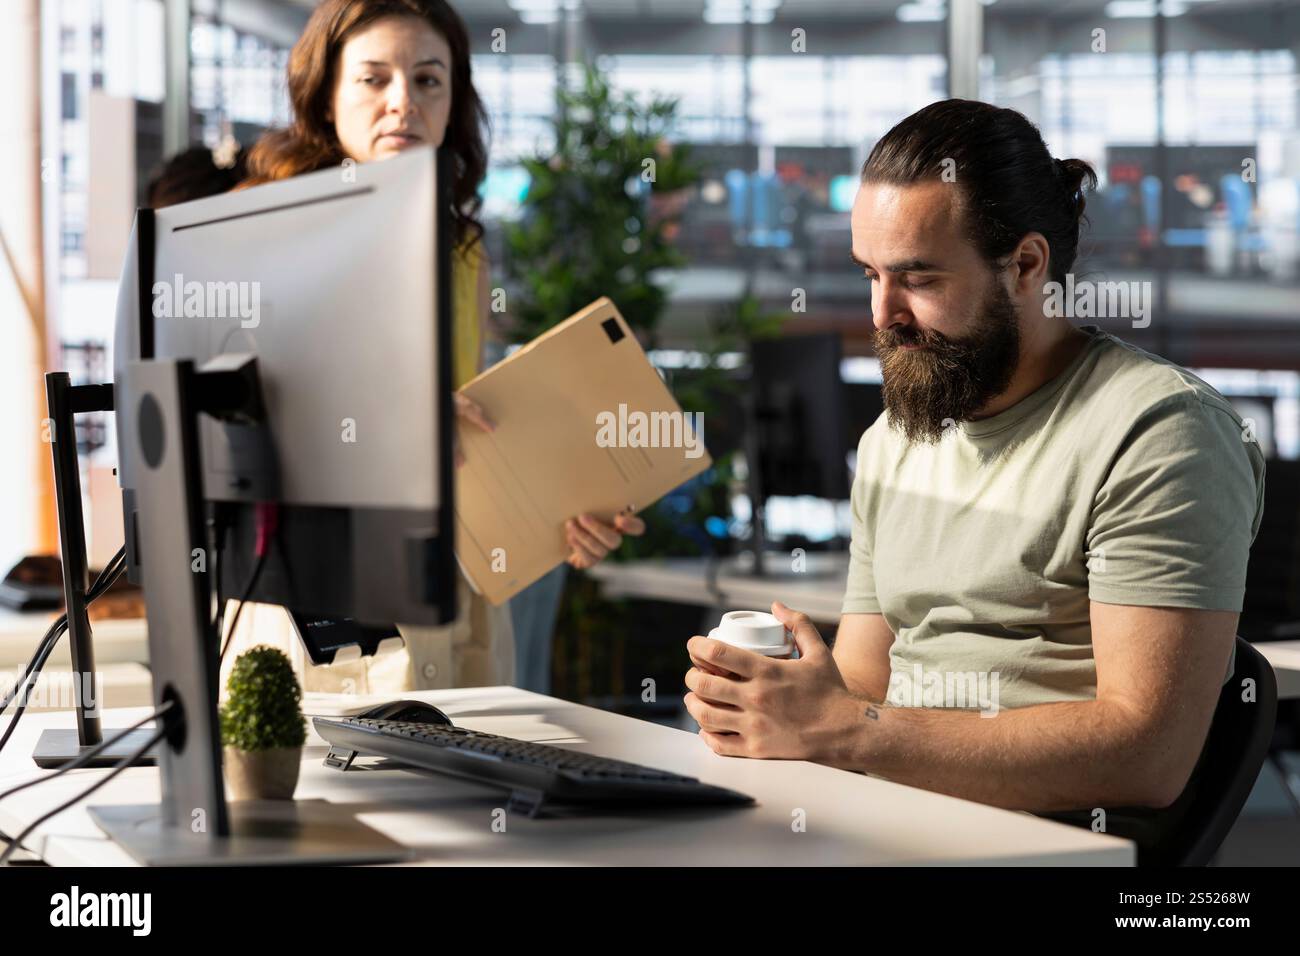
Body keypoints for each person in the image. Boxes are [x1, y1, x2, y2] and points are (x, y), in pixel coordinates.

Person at [681, 99, 1266, 857]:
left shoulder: (1160, 433)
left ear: (1025, 266)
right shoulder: (895, 440)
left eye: (918, 278)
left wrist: (845, 730)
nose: (882, 314)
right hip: (881, 825)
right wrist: (777, 708)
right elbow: (862, 690)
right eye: (870, 275)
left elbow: (1146, 754)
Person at [220, 0, 643, 696]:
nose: (403, 103)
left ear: (453, 103)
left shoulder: (461, 248)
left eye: (427, 80)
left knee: (474, 760)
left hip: (453, 584)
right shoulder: (266, 234)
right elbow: (235, 430)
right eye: (373, 79)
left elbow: (465, 427)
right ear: (325, 97)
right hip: (318, 594)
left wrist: (558, 510)